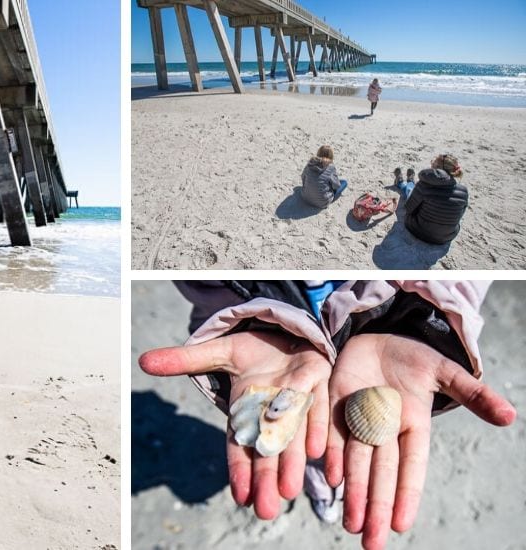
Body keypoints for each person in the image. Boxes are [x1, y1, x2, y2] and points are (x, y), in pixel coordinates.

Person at [139, 281, 516, 550]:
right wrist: (254, 322)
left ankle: (326, 490)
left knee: (337, 446)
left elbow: (462, 280)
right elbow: (208, 288)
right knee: (310, 444)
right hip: (269, 349)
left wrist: (416, 323)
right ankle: (321, 489)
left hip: (381, 339)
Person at [403, 154, 469, 244]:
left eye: (433, 162)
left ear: (436, 167)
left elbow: (408, 208)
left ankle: (407, 183)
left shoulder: (424, 184)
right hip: (446, 237)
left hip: (418, 230)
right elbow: (459, 216)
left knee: (410, 191)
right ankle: (409, 183)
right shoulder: (463, 191)